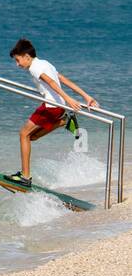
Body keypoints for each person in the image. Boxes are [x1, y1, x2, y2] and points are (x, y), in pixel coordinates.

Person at [5, 38, 98, 188]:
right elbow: (63, 79)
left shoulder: (35, 68)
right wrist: (86, 96)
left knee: (23, 134)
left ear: (27, 56)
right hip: (57, 107)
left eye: (18, 60)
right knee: (31, 137)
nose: (17, 64)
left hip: (51, 106)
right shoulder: (45, 63)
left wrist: (69, 99)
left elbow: (52, 82)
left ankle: (25, 176)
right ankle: (64, 121)